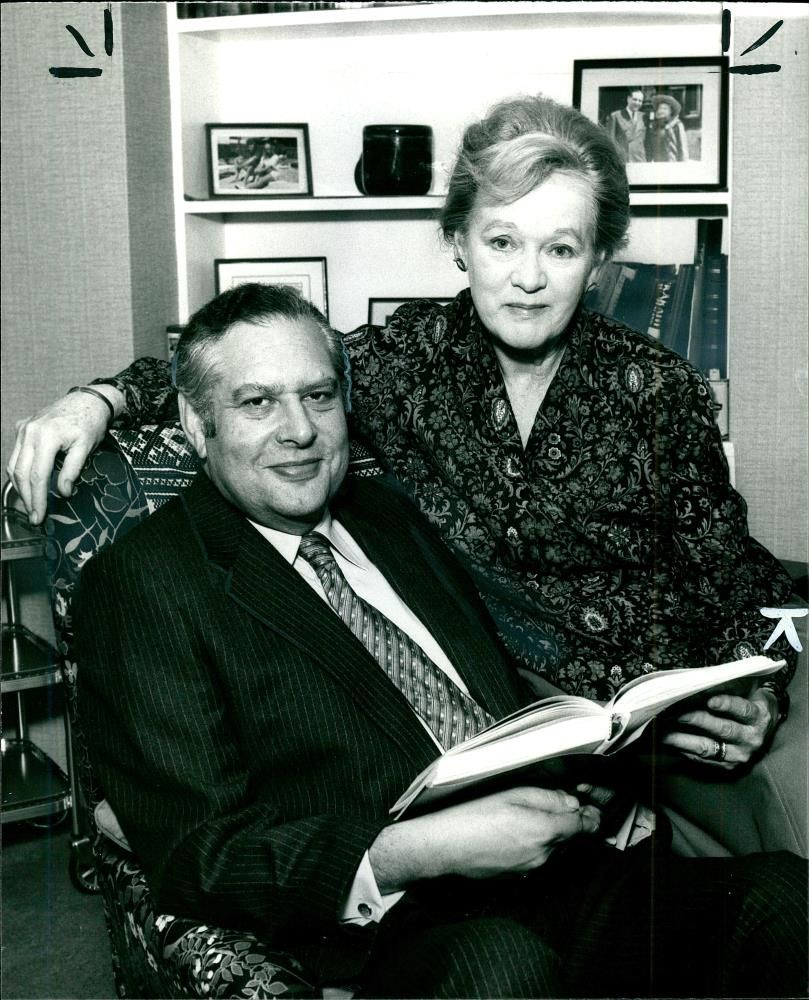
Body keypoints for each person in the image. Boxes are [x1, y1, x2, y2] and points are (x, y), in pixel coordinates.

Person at [8, 93, 796, 771]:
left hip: (669, 728)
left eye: (560, 248)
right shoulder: (403, 359)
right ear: (457, 242)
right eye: (501, 242)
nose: (528, 277)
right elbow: (254, 367)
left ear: (598, 264)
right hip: (509, 726)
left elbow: (742, 582)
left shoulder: (657, 390)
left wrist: (760, 692)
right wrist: (101, 398)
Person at [74, 281, 807, 998]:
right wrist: (422, 849)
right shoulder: (144, 583)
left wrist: (577, 758)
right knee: (501, 969)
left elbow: (483, 697)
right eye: (257, 402)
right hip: (395, 919)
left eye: (319, 395)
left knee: (784, 899)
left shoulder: (388, 515)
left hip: (557, 868)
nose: (298, 429)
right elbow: (197, 854)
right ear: (198, 425)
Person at [606, 88, 647, 162]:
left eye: (640, 101)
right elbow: (610, 141)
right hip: (622, 160)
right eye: (635, 99)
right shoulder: (615, 116)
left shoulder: (644, 117)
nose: (637, 103)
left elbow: (647, 142)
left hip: (640, 160)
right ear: (628, 99)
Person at [646, 93, 690, 162]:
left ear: (670, 111)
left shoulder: (676, 125)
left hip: (672, 165)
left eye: (665, 108)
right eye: (659, 108)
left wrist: (683, 166)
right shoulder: (654, 126)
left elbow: (683, 149)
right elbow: (651, 149)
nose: (661, 111)